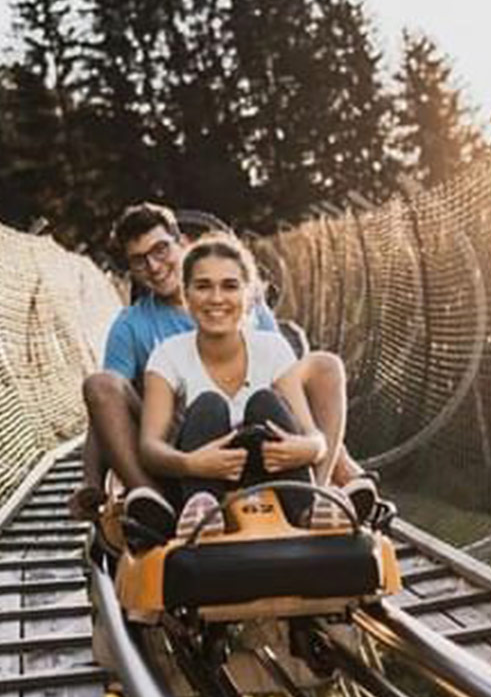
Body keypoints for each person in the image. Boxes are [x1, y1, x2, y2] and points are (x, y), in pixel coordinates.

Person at [72, 203, 378, 538]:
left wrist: (335, 460)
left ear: (182, 244)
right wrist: (92, 480)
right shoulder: (146, 336)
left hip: (259, 425)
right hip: (187, 435)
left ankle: (313, 498)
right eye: (140, 260)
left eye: (161, 250)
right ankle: (159, 506)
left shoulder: (252, 317)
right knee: (198, 404)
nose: (154, 266)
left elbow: (287, 386)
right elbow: (105, 407)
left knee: (323, 367)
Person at [133, 234, 326, 538]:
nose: (216, 299)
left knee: (265, 401)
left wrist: (309, 447)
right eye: (203, 286)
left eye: (230, 286)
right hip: (204, 474)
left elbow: (312, 433)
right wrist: (191, 464)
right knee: (209, 403)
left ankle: (306, 512)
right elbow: (149, 447)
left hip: (268, 475)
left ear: (248, 295)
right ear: (186, 295)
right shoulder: (168, 354)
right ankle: (202, 513)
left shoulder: (273, 348)